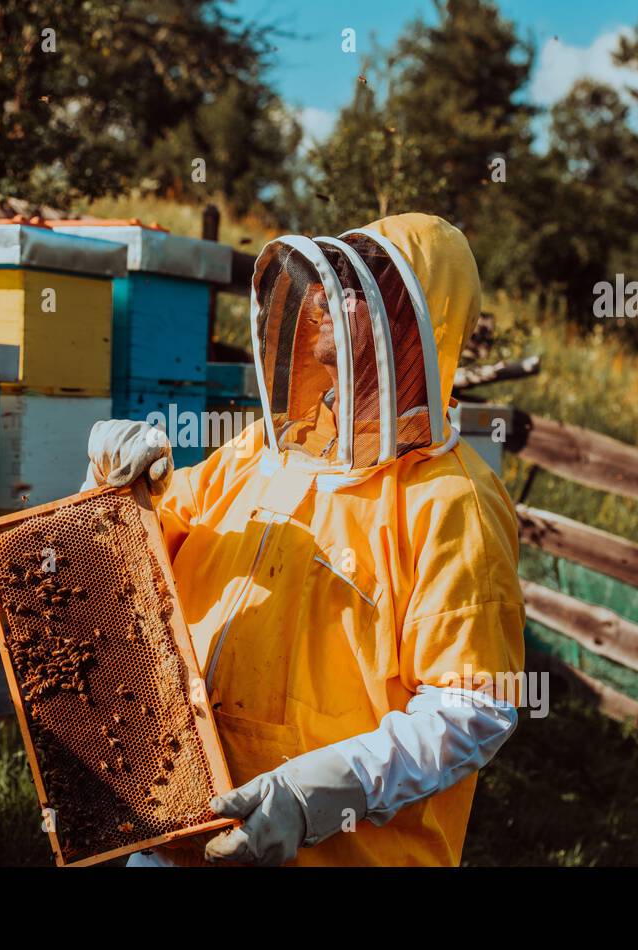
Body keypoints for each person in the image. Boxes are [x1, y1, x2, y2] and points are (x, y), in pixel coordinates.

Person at [82, 213, 525, 866]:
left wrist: (319, 793)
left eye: (351, 290)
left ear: (411, 318)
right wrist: (109, 484)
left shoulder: (451, 498)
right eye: (325, 283)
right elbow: (123, 572)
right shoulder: (259, 453)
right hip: (181, 832)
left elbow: (472, 708)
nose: (320, 302)